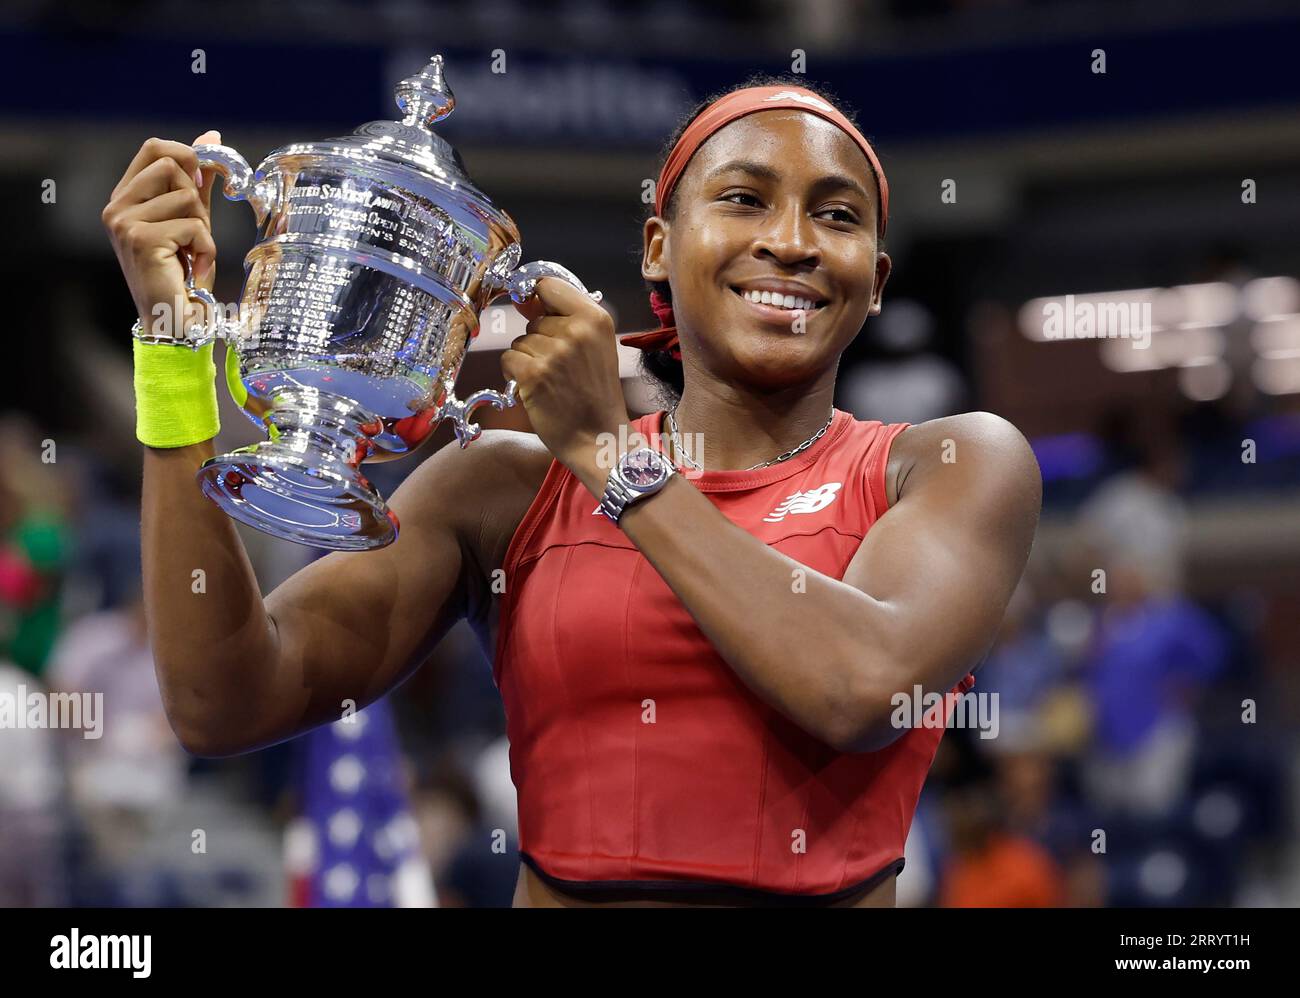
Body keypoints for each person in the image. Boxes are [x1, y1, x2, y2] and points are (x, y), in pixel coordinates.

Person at [102, 74, 1040, 908]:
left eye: (836, 216)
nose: (790, 242)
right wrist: (173, 356)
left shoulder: (954, 462)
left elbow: (860, 691)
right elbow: (223, 704)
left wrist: (610, 455)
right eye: (745, 199)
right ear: (656, 249)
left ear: (874, 282)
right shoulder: (503, 488)